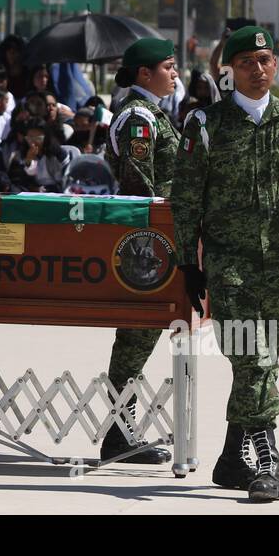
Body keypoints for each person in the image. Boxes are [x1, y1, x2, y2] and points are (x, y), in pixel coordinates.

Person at [172, 25, 279, 502]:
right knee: (255, 359)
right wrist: (189, 264)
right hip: (230, 268)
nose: (259, 68)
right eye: (247, 61)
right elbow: (185, 201)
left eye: (266, 60)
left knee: (262, 364)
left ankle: (231, 456)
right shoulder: (206, 125)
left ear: (276, 64)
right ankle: (268, 462)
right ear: (229, 70)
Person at [98, 37, 179, 464]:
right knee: (135, 338)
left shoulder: (151, 114)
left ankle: (121, 429)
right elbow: (139, 187)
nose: (176, 72)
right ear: (145, 73)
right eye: (168, 66)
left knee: (140, 338)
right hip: (147, 246)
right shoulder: (138, 118)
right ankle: (118, 432)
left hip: (157, 241)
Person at [5, 119, 72, 192]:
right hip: (31, 191)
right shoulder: (21, 154)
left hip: (54, 191)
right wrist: (28, 162)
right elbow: (18, 180)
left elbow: (64, 180)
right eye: (30, 138)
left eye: (38, 138)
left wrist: (45, 189)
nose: (33, 142)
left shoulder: (57, 154)